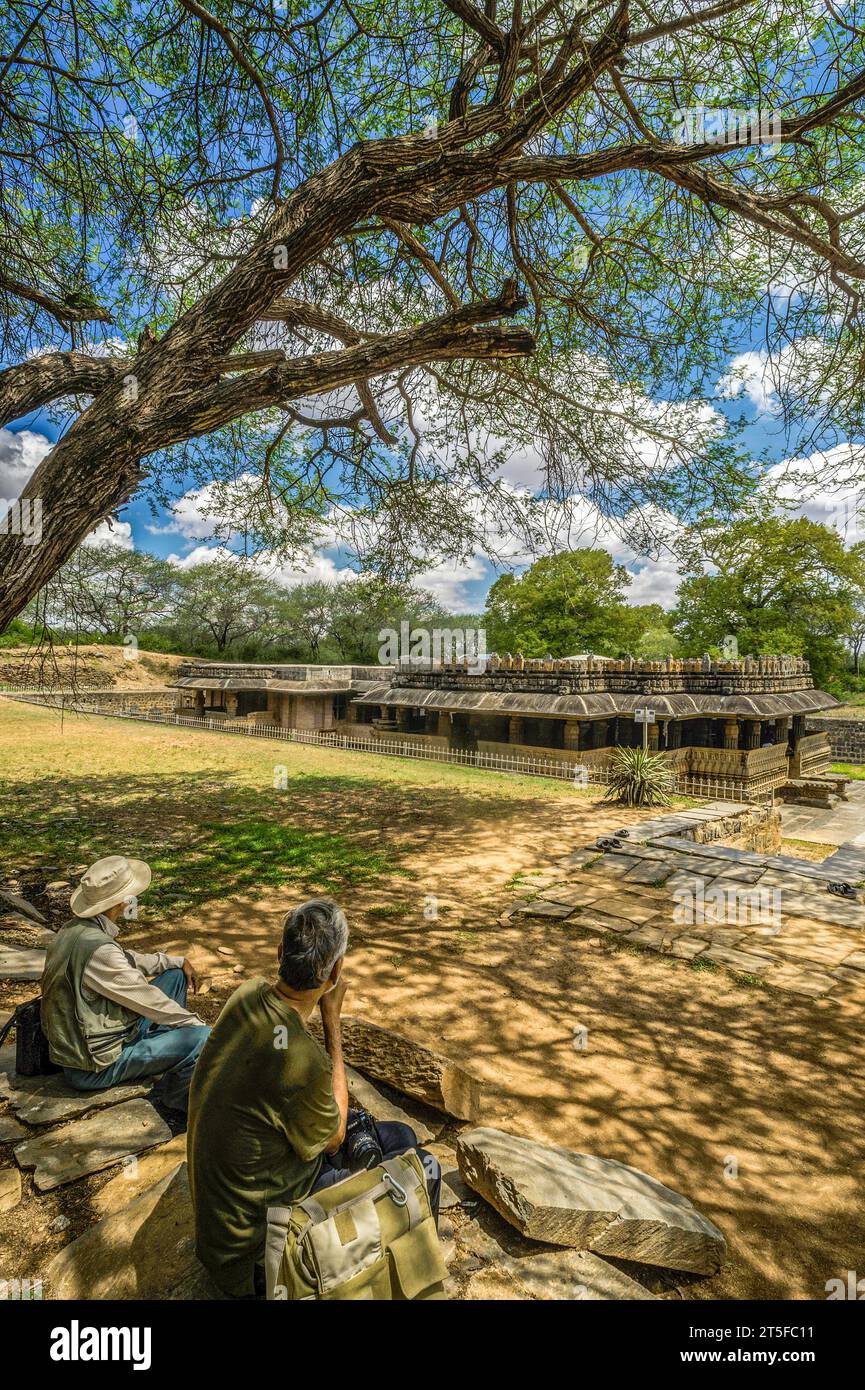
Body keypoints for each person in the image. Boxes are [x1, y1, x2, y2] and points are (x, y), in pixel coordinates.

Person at [188, 897, 441, 1298]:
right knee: (423, 1167)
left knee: (401, 1138)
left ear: (279, 953)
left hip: (225, 1231)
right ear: (336, 971)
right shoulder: (301, 1060)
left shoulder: (248, 994)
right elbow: (335, 1138)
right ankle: (402, 1279)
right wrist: (332, 1025)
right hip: (261, 1259)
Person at [40, 854, 210, 1114]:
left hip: (98, 1037)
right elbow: (146, 998)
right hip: (95, 1065)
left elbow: (128, 960)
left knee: (175, 975)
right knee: (203, 1039)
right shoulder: (100, 951)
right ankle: (176, 1105)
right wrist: (198, 1026)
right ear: (122, 901)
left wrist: (175, 961)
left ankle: (166, 1050)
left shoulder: (75, 930)